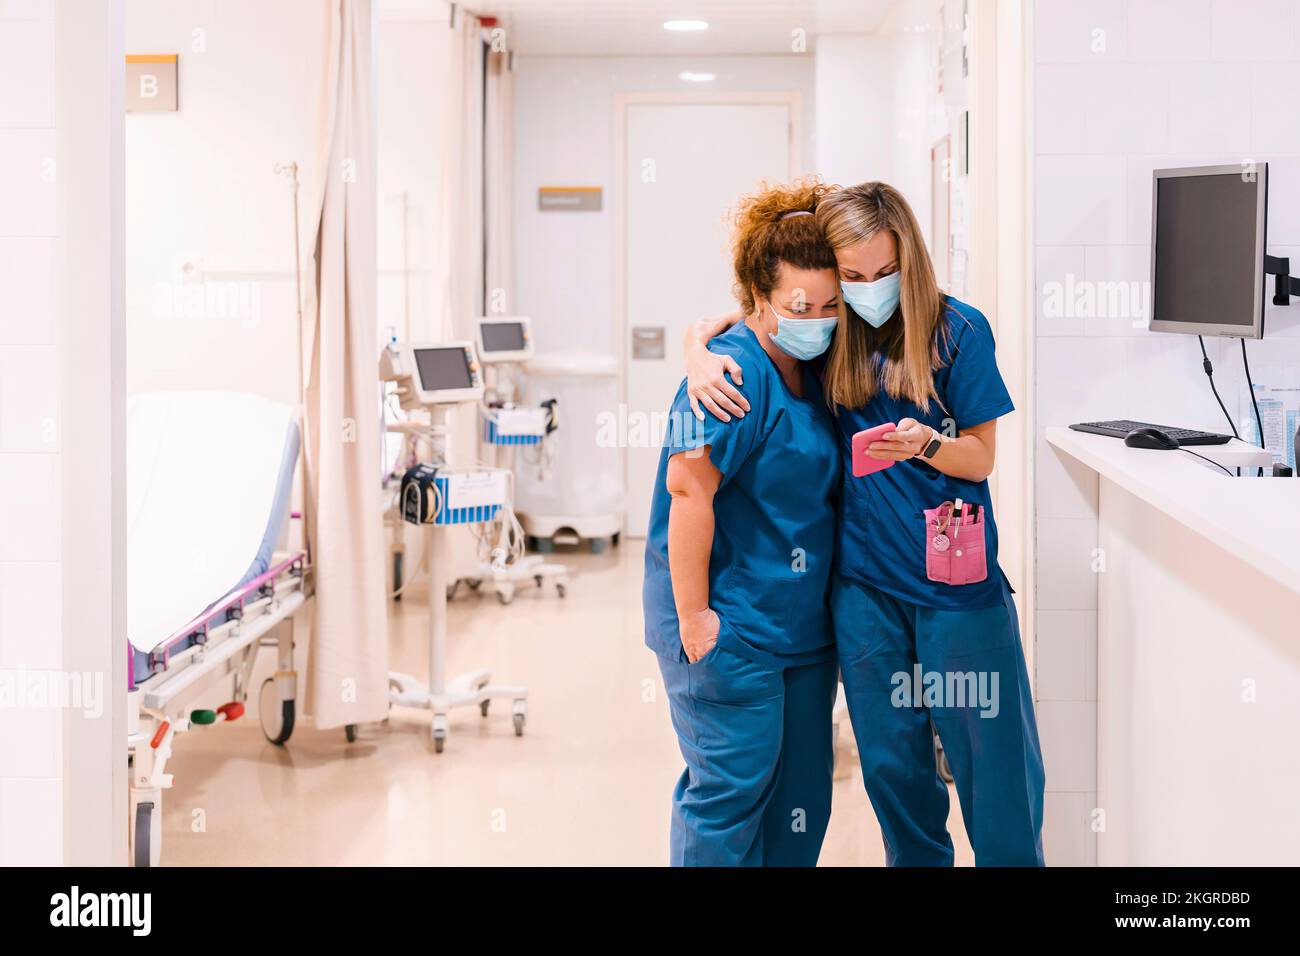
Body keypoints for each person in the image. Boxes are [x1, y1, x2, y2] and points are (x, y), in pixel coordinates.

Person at [684, 181, 1045, 866]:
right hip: (866, 591)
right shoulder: (832, 335)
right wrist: (694, 351)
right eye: (851, 276)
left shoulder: (957, 331)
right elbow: (749, 325)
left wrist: (926, 444)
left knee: (996, 780)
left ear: (909, 259)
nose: (868, 288)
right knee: (893, 773)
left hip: (957, 591)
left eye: (884, 273)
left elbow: (980, 457)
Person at [643, 180, 842, 866]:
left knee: (802, 800)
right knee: (732, 795)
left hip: (801, 632)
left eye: (829, 305)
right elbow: (687, 493)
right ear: (759, 299)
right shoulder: (726, 374)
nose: (815, 318)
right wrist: (696, 619)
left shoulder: (815, 368)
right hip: (729, 625)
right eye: (798, 306)